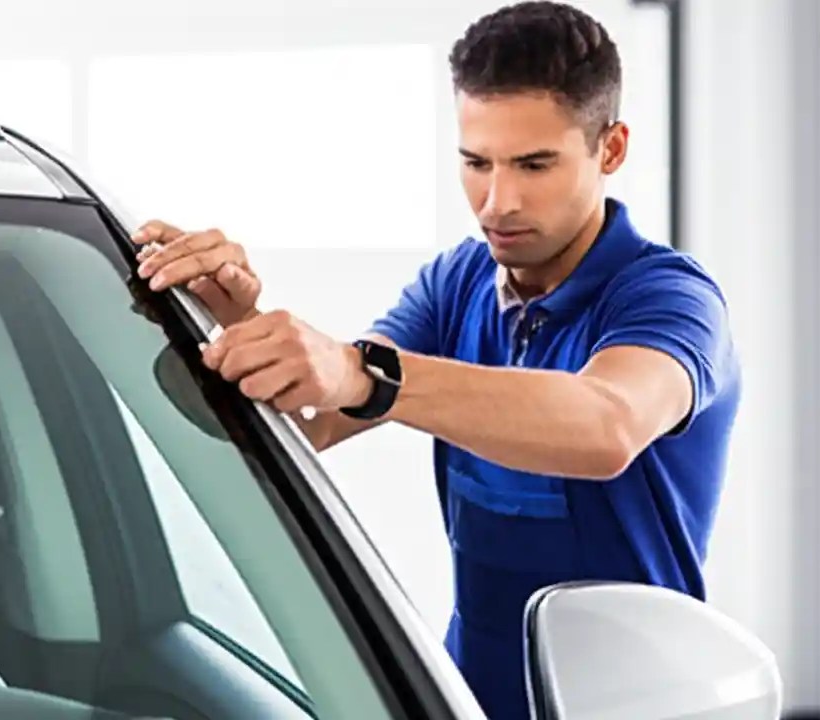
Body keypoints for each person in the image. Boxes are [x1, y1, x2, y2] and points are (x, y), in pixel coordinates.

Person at [131, 1, 741, 718]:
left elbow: (606, 426)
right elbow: (314, 422)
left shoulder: (669, 296)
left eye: (534, 164)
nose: (497, 202)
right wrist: (233, 325)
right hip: (463, 698)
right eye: (476, 163)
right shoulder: (457, 283)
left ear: (610, 150)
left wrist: (369, 376)